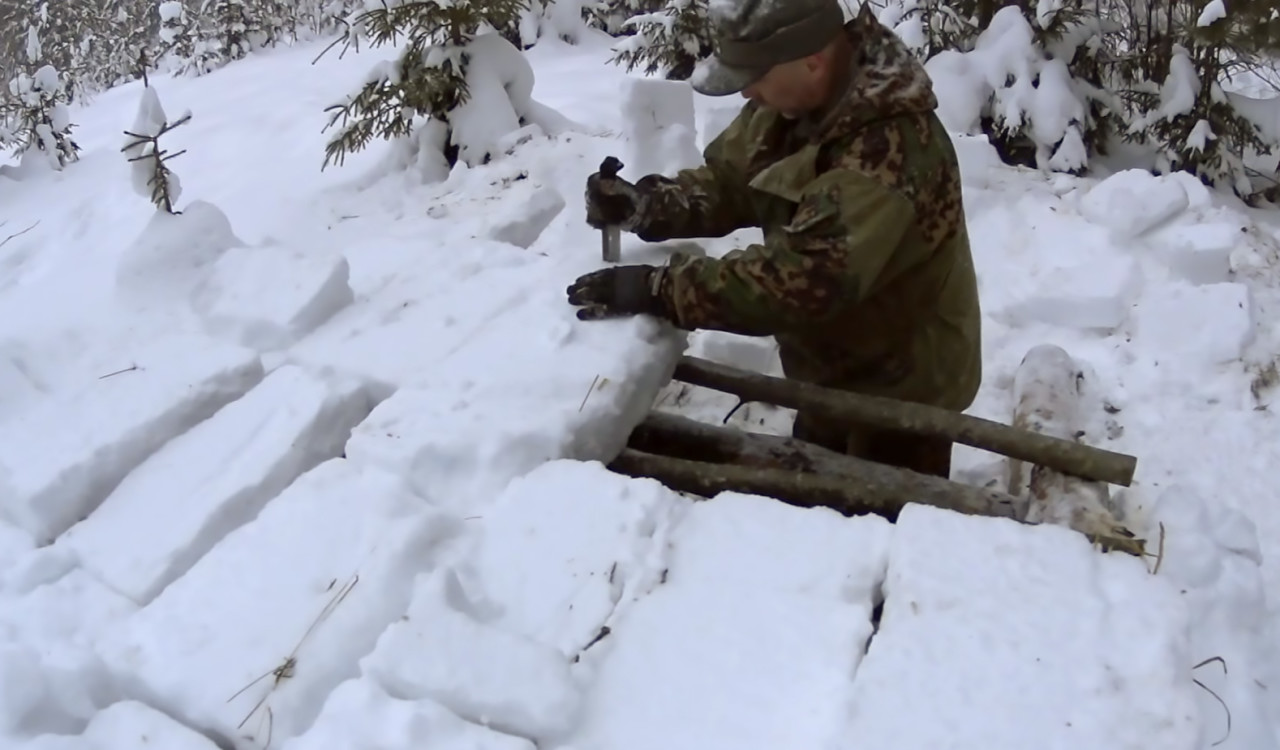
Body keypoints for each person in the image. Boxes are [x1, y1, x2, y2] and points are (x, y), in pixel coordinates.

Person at [565, 0, 982, 479]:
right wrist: (648, 205)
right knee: (817, 485)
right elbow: (731, 181)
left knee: (877, 525)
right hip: (831, 364)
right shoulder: (789, 100)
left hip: (903, 387)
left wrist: (665, 288)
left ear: (812, 59)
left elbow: (802, 280)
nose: (747, 93)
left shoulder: (887, 151)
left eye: (754, 76)